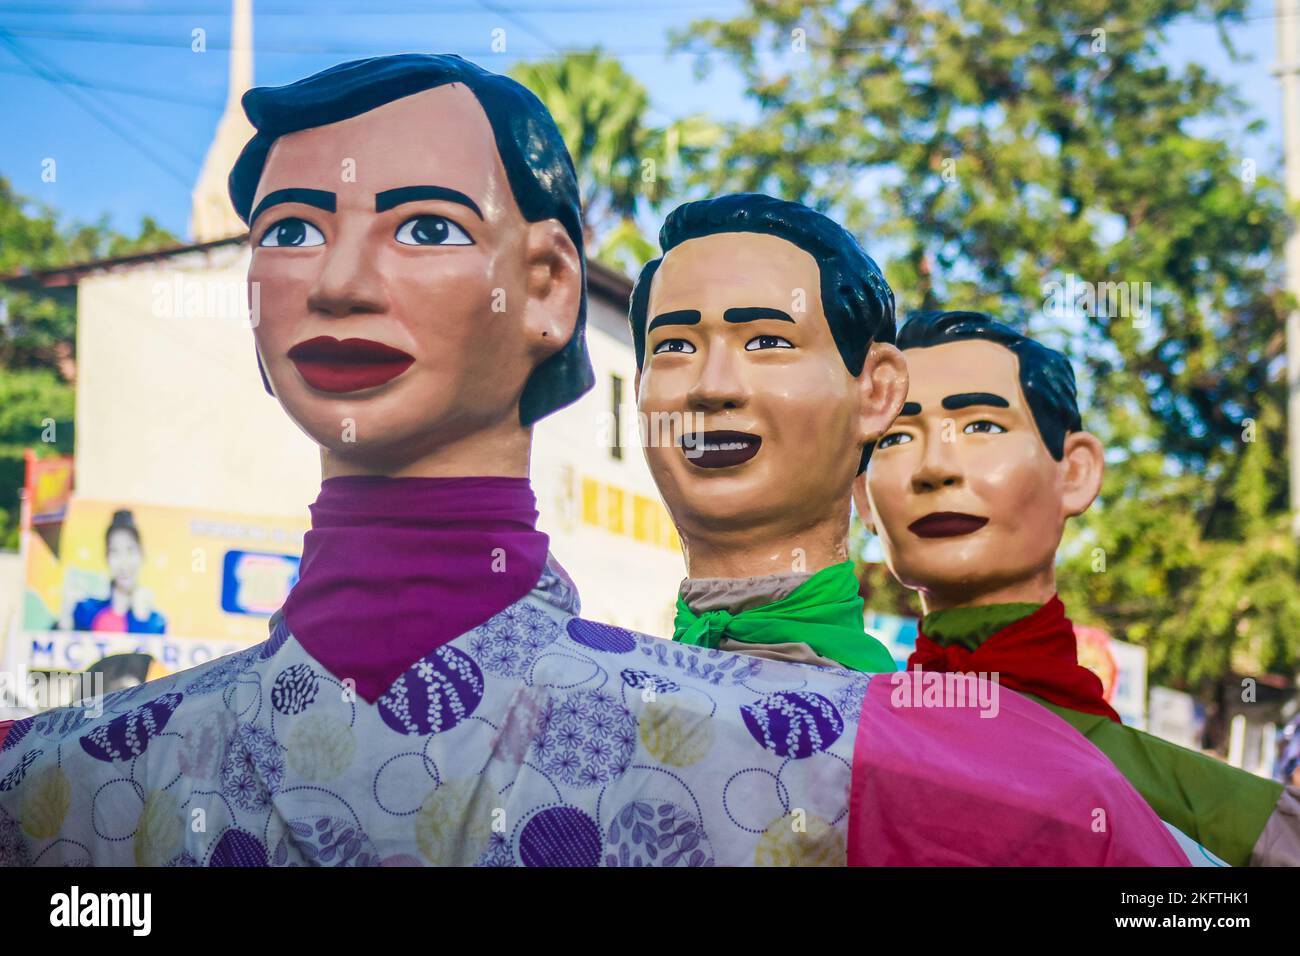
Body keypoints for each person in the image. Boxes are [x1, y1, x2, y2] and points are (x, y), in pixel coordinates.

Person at [0, 58, 1183, 867]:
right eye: (291, 231)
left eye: (425, 227)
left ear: (552, 287)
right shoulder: (60, 784)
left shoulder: (899, 758)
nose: (340, 283)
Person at [855, 308, 1300, 866]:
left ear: (1075, 472)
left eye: (982, 426)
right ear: (863, 498)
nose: (935, 467)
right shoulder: (815, 752)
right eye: (896, 436)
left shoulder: (1243, 823)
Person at [628, 193, 902, 671]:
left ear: (875, 391)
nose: (712, 387)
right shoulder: (576, 696)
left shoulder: (920, 735)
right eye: (673, 346)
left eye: (767, 341)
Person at [61, 509, 166, 634]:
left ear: (142, 555)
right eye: (115, 552)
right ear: (106, 558)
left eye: (130, 550)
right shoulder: (86, 610)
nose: (123, 563)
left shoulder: (155, 622)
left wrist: (141, 620)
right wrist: (65, 620)